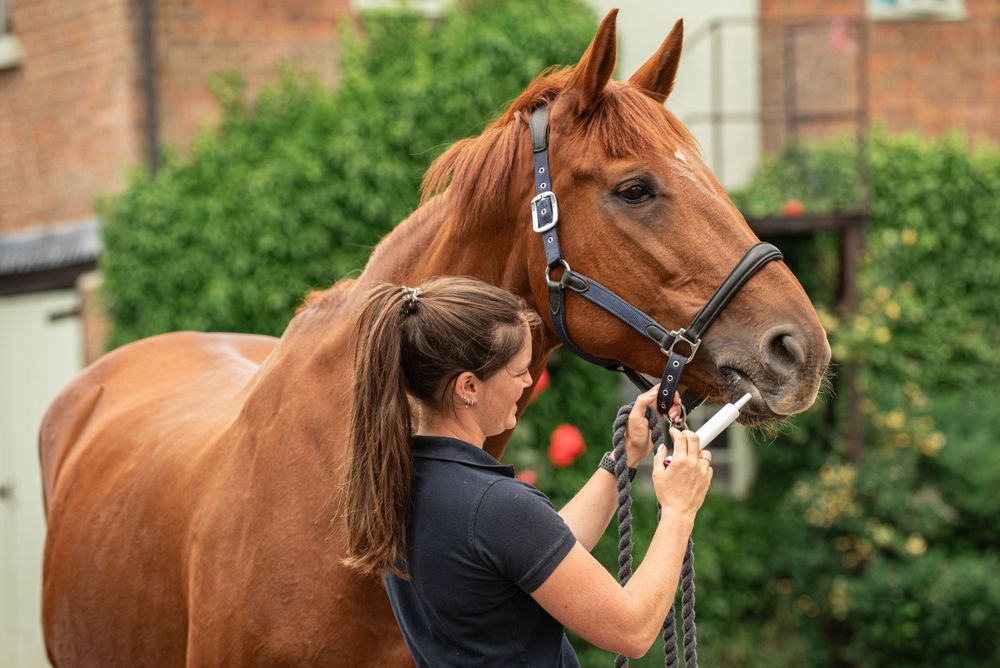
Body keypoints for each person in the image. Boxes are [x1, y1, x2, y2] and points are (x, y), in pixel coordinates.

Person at [341, 276, 713, 666]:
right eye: (518, 370)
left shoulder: (408, 480)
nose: (528, 382)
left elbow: (537, 552)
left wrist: (623, 458)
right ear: (468, 386)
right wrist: (678, 511)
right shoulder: (493, 505)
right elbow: (633, 630)